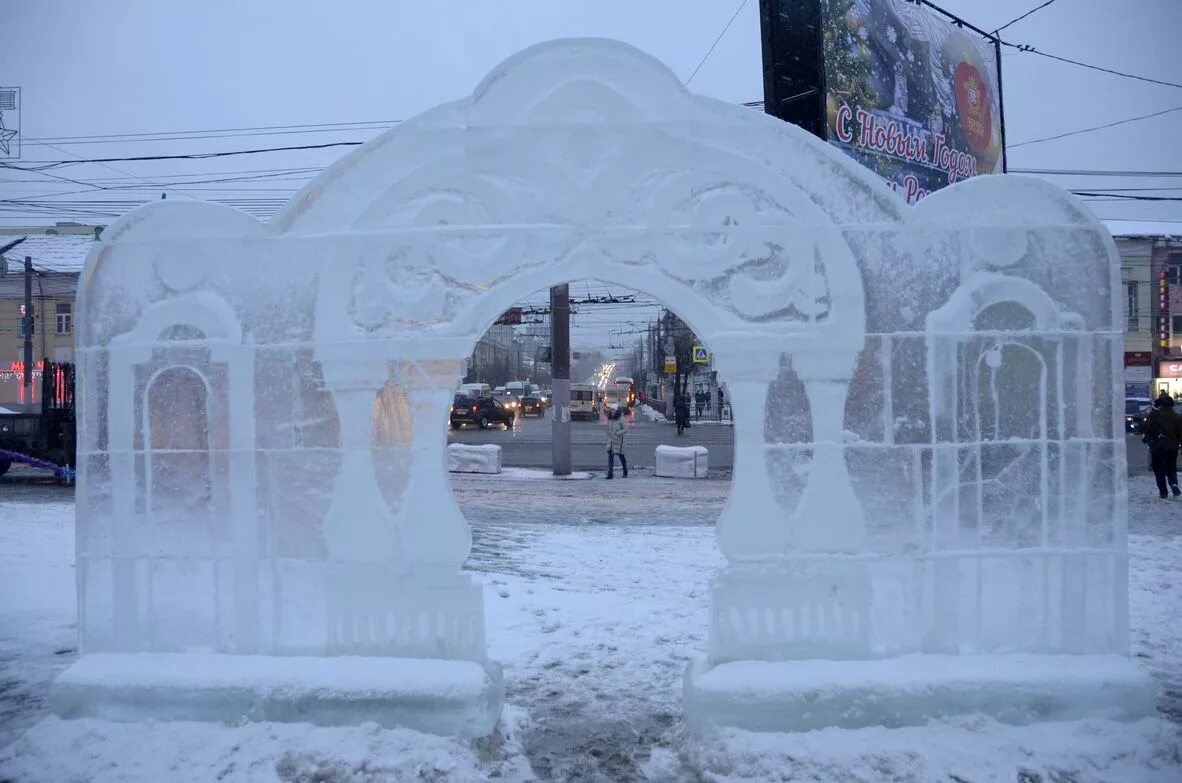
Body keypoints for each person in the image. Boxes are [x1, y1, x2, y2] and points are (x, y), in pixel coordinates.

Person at [1142, 392, 1182, 499]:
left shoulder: (1154, 415)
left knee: (1159, 469)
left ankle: (1163, 492)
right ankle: (1174, 484)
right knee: (1171, 467)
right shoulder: (1177, 417)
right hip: (1172, 447)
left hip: (1158, 446)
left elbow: (1146, 428)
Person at [605, 404, 628, 479]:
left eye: (613, 410)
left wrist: (619, 433)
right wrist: (608, 435)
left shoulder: (621, 418)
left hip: (619, 441)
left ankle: (625, 471)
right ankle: (610, 473)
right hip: (611, 441)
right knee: (610, 457)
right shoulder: (610, 419)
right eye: (611, 410)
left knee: (621, 457)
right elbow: (608, 429)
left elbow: (626, 429)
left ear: (616, 410)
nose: (612, 411)